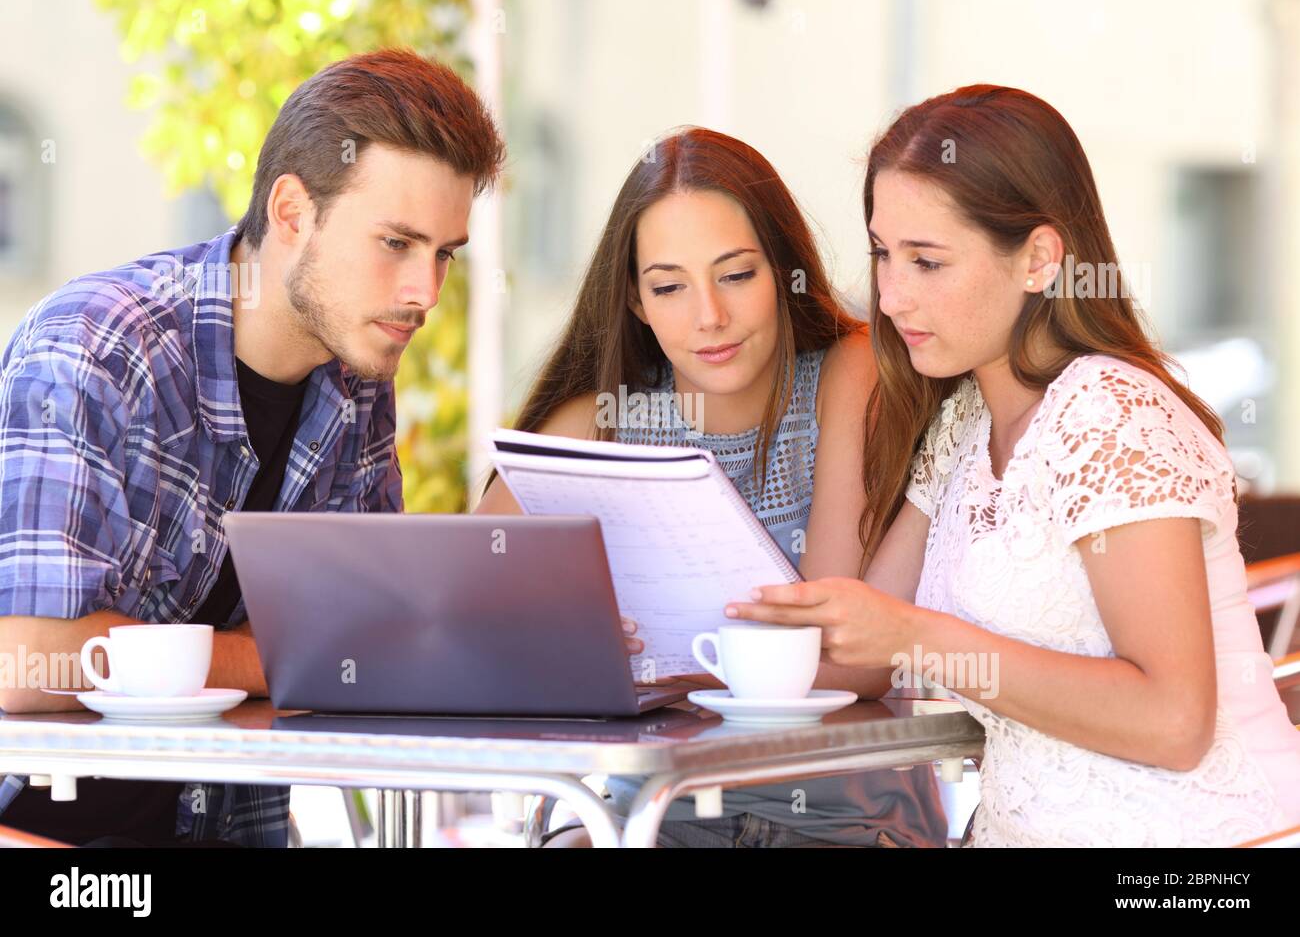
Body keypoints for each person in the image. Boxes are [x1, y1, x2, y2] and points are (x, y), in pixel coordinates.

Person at [728, 84, 1300, 846]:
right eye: (882, 254)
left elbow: (1174, 721)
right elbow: (865, 655)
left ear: (1038, 258)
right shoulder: (967, 422)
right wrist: (665, 648)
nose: (891, 297)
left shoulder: (1112, 415)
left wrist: (914, 637)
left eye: (927, 261)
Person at [0, 48, 504, 846]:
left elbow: (373, 637)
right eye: (396, 244)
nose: (425, 293)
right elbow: (29, 664)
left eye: (443, 253)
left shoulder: (355, 374)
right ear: (293, 211)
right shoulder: (98, 349)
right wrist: (278, 657)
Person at [477, 127, 949, 848]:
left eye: (736, 275)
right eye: (668, 287)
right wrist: (565, 652)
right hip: (655, 818)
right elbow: (466, 617)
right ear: (635, 301)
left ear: (783, 269)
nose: (709, 317)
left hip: (841, 819)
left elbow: (828, 653)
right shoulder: (598, 420)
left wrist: (651, 676)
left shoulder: (849, 376)